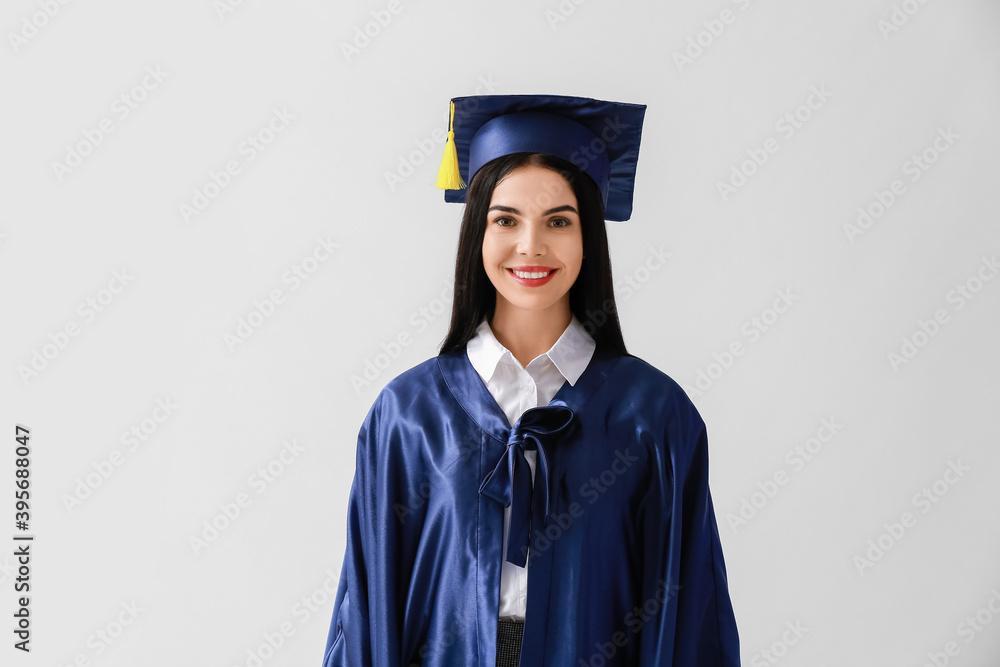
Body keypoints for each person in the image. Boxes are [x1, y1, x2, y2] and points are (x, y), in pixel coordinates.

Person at [321, 94, 741, 667]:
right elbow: (366, 608)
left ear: (588, 236)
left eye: (558, 221)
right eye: (506, 219)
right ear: (478, 231)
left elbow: (691, 613)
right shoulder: (408, 416)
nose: (531, 246)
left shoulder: (653, 415)